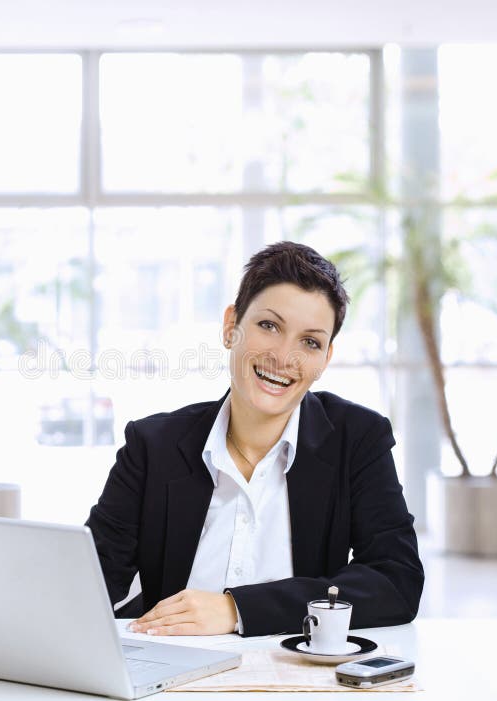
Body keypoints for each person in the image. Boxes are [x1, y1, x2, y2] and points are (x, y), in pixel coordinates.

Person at [86, 241, 424, 637]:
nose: (284, 357)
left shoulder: (358, 439)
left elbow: (396, 581)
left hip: (296, 671)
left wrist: (236, 608)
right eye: (269, 326)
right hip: (171, 670)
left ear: (325, 359)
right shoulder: (152, 445)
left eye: (310, 342)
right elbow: (87, 581)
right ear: (231, 327)